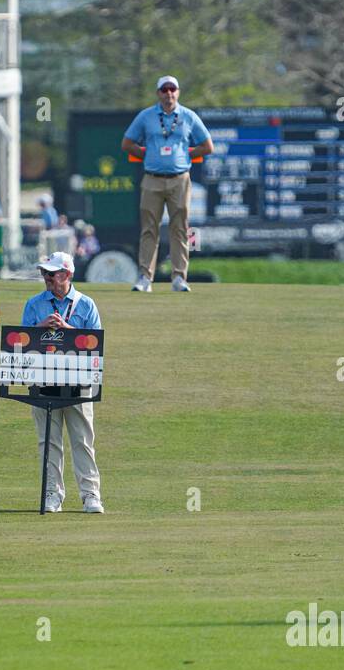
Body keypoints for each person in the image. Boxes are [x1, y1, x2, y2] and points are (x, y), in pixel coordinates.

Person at [21, 252, 104, 514]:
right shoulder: (34, 305)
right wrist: (40, 328)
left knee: (82, 439)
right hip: (43, 381)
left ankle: (90, 494)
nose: (46, 278)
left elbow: (96, 345)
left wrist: (67, 330)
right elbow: (19, 344)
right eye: (44, 273)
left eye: (51, 273)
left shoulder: (86, 304)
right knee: (48, 440)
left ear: (66, 275)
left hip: (78, 383)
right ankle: (52, 493)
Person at [121, 74, 213, 293]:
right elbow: (127, 143)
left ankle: (179, 278)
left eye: (173, 89)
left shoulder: (189, 116)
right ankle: (145, 278)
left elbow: (207, 145)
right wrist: (147, 155)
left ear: (178, 92)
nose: (169, 93)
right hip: (152, 178)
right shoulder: (146, 116)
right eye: (164, 90)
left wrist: (187, 155)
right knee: (149, 229)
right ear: (158, 93)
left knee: (180, 229)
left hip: (180, 179)